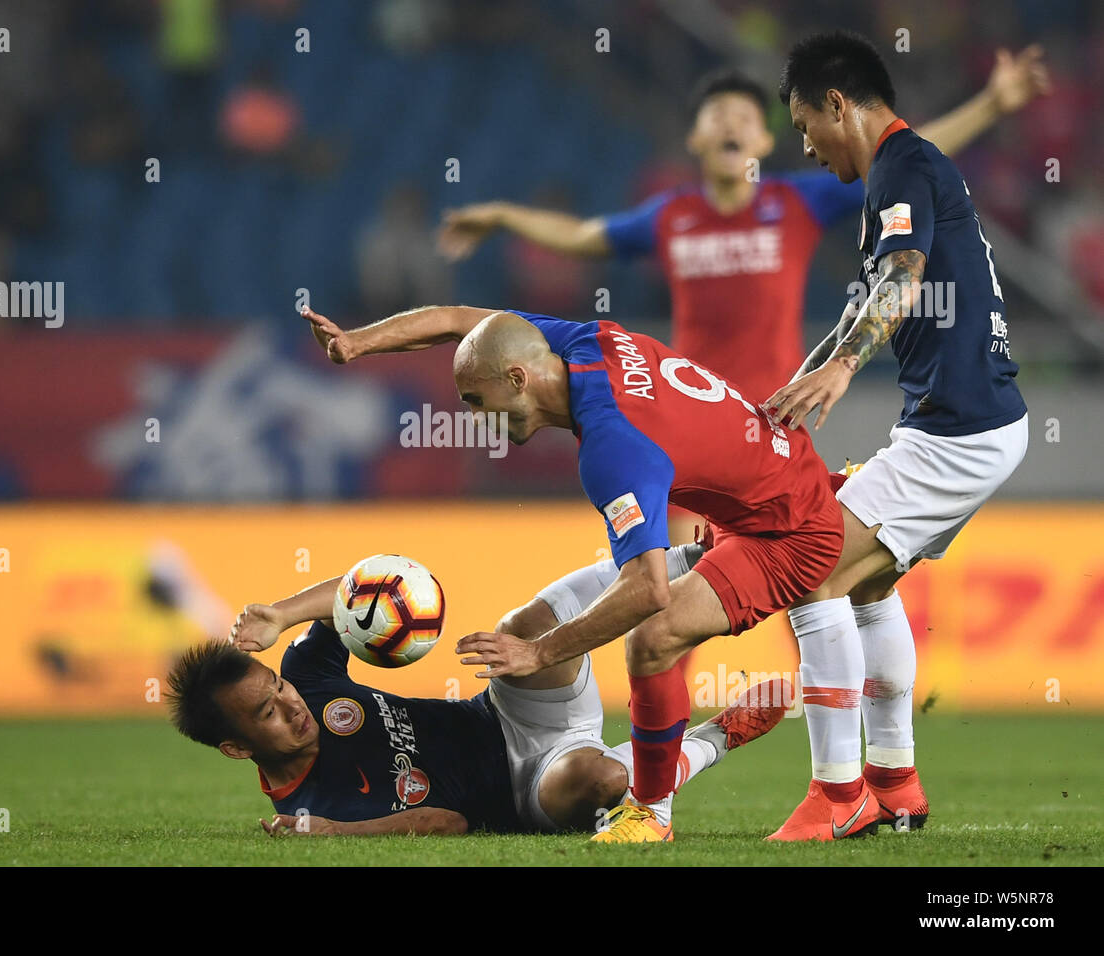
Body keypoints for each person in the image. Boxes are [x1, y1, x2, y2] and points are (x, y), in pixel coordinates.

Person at [438, 53, 1048, 543]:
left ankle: (827, 695)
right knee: (677, 594)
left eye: (745, 116)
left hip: (773, 419)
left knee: (803, 568)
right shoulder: (671, 217)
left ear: (764, 138)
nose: (730, 125)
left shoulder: (799, 201)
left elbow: (897, 152)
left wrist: (993, 104)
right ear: (695, 138)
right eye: (716, 115)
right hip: (687, 424)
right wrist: (501, 215)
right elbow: (581, 235)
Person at [301, 303, 842, 843]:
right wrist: (358, 344)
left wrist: (539, 652)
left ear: (518, 378)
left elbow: (647, 590)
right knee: (642, 612)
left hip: (789, 534)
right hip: (767, 493)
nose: (473, 418)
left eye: (476, 401)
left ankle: (650, 815)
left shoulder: (612, 448)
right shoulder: (585, 342)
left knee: (652, 637)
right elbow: (454, 319)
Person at [759, 31, 1030, 842]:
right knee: (867, 589)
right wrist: (811, 372)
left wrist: (841, 374)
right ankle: (896, 786)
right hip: (971, 426)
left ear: (839, 104)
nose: (807, 148)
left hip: (958, 432)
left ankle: (836, 796)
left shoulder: (901, 166)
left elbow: (903, 275)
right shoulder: (905, 166)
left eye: (807, 127)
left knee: (808, 574)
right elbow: (869, 295)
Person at [166, 551, 790, 835]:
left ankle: (688, 557)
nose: (291, 704)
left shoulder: (309, 681)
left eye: (277, 686)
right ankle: (718, 736)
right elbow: (449, 821)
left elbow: (359, 588)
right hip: (529, 790)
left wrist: (279, 614)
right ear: (235, 748)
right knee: (600, 783)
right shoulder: (315, 805)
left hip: (506, 710)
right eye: (267, 713)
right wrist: (333, 833)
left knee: (523, 630)